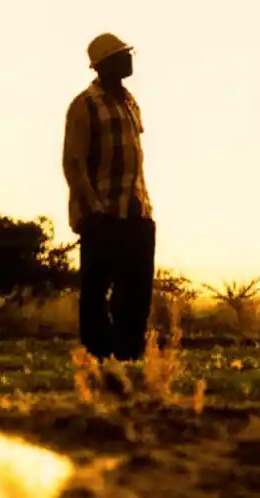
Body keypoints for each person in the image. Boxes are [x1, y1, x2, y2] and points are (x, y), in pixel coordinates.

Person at [62, 32, 156, 363]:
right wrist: (94, 209)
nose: (129, 59)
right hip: (102, 212)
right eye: (121, 55)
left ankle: (129, 357)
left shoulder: (130, 101)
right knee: (96, 290)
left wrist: (141, 206)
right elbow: (74, 162)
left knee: (137, 291)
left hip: (136, 210)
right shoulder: (85, 104)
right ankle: (98, 359)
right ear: (103, 65)